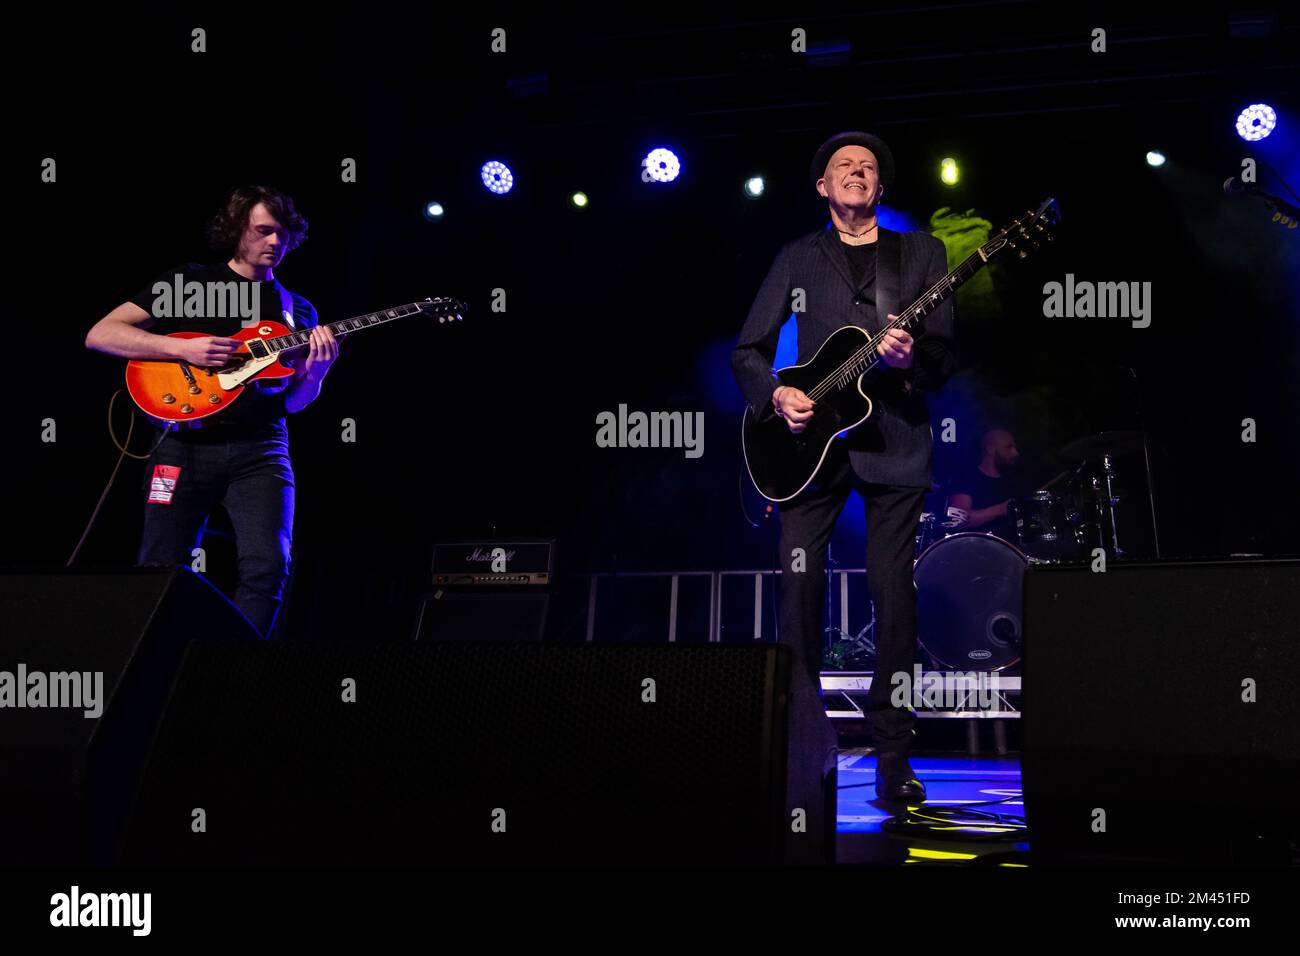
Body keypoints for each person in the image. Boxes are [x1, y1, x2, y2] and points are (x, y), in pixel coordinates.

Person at [732, 131, 958, 854]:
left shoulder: (921, 254)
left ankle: (894, 759)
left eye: (869, 167)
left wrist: (913, 355)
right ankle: (796, 745)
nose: (858, 172)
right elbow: (748, 350)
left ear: (880, 189)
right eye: (843, 167)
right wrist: (775, 398)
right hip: (808, 446)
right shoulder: (797, 257)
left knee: (895, 595)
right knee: (797, 594)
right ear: (823, 188)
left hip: (893, 439)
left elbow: (946, 354)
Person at [85, 186, 339, 638]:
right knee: (160, 565)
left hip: (261, 449)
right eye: (263, 231)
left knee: (269, 566)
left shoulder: (297, 310)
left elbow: (291, 404)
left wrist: (316, 376)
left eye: (282, 234)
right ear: (238, 229)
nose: (274, 243)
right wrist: (181, 347)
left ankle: (230, 672)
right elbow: (101, 334)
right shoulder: (190, 284)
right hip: (183, 444)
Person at [948, 428, 1027, 543]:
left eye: (1015, 448)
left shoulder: (1014, 482)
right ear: (990, 449)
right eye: (1009, 447)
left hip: (1012, 552)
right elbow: (958, 519)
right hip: (975, 551)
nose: (1016, 452)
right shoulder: (966, 477)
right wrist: (1000, 509)